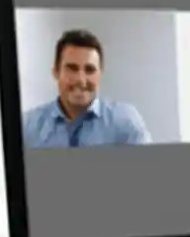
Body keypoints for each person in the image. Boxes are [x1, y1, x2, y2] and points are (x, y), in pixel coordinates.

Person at [22, 29, 150, 148]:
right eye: (72, 68)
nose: (81, 80)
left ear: (100, 74)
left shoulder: (126, 123)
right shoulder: (26, 127)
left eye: (90, 70)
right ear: (56, 72)